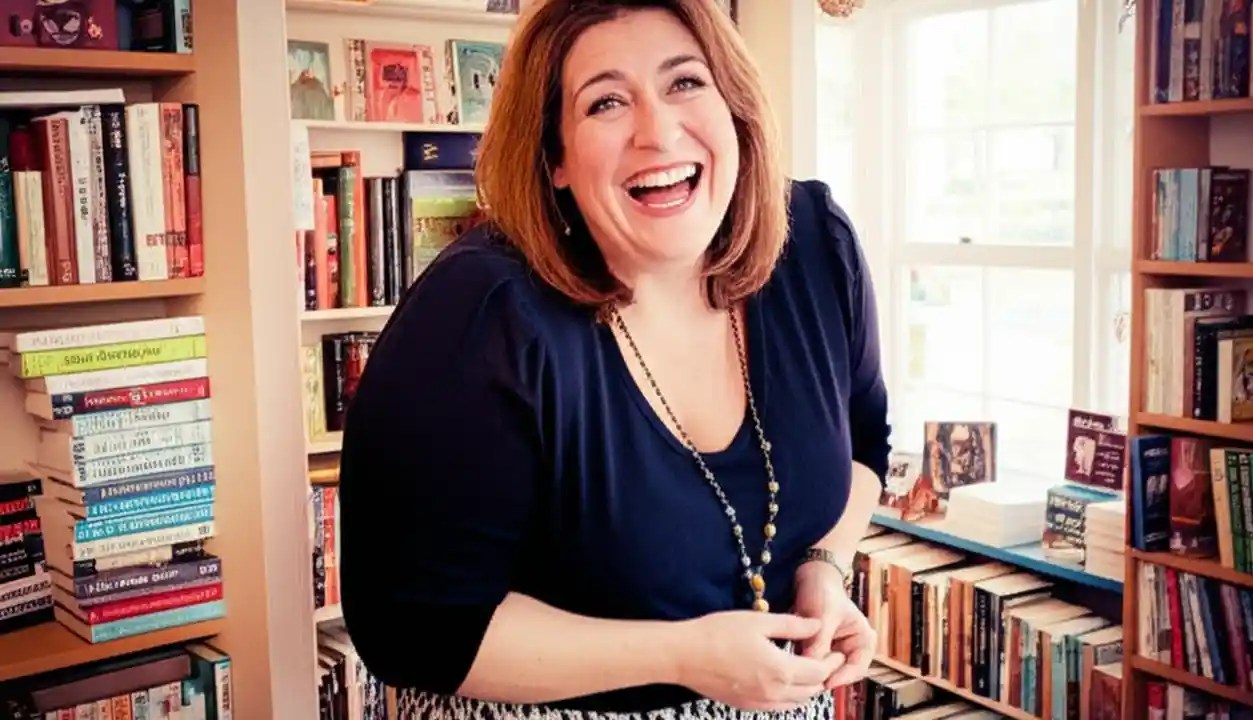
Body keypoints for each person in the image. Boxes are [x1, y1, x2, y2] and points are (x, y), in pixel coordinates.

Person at [337, 1, 891, 718]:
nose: (658, 132)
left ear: (736, 107)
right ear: (555, 158)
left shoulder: (816, 244)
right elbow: (411, 627)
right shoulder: (479, 314)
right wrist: (685, 655)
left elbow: (866, 444)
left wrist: (823, 566)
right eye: (606, 102)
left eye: (686, 83)